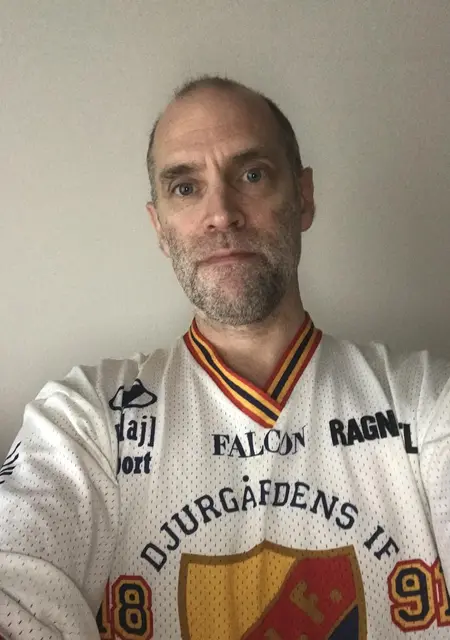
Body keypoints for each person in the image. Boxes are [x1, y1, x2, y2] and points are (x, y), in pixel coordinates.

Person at [0, 74, 449, 640]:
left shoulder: (427, 402)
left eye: (252, 175)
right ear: (159, 226)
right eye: (186, 187)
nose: (221, 213)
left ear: (304, 196)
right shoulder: (85, 418)